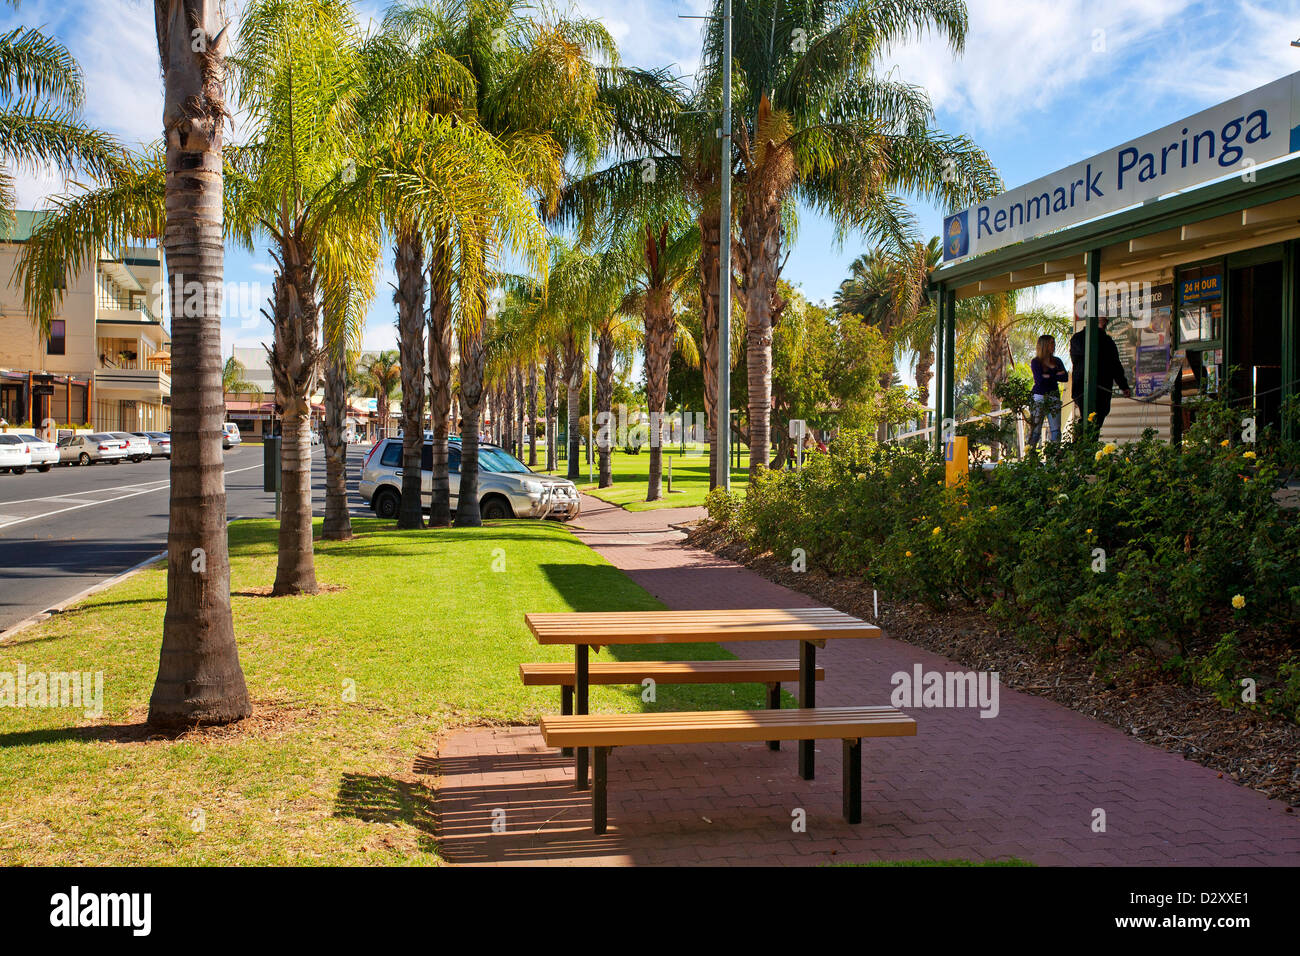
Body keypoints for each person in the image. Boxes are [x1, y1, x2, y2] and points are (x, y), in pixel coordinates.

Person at [1069, 314, 1131, 434]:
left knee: (1098, 418)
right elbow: (1083, 355)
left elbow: (1115, 365)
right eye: (1102, 321)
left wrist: (1123, 386)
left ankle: (1086, 447)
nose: (1105, 323)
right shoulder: (1079, 338)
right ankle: (1081, 447)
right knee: (1088, 418)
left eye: (1106, 321)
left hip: (1103, 387)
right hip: (1083, 386)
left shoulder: (1108, 341)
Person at [1028, 334, 1069, 449]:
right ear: (1044, 345)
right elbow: (1039, 380)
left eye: (1054, 343)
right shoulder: (1036, 361)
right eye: (1051, 343)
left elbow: (1065, 377)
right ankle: (1031, 456)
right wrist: (1055, 374)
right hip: (1039, 397)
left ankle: (1054, 458)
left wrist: (1048, 375)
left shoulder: (1057, 361)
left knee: (1055, 430)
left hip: (1054, 397)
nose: (1054, 346)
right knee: (1036, 430)